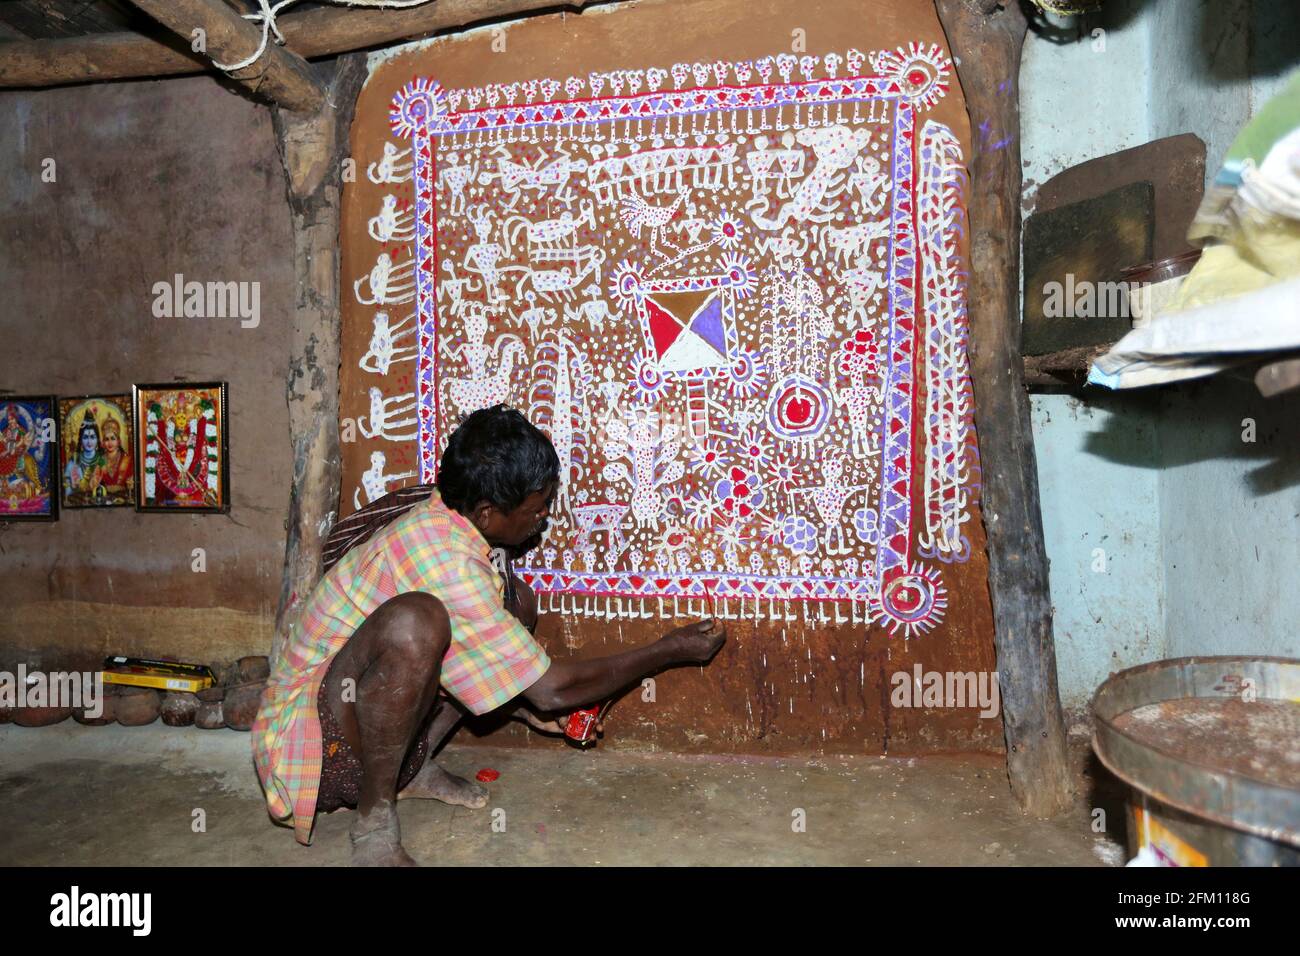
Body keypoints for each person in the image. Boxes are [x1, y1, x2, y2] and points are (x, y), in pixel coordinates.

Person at [251, 405, 725, 866]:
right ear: (486, 512)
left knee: (511, 605)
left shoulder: (449, 521)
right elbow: (552, 688)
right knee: (417, 623)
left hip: (354, 712)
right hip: (314, 743)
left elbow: (483, 656)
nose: (541, 518)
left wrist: (522, 708)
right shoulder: (446, 558)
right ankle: (374, 821)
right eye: (535, 509)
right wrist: (669, 649)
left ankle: (408, 769)